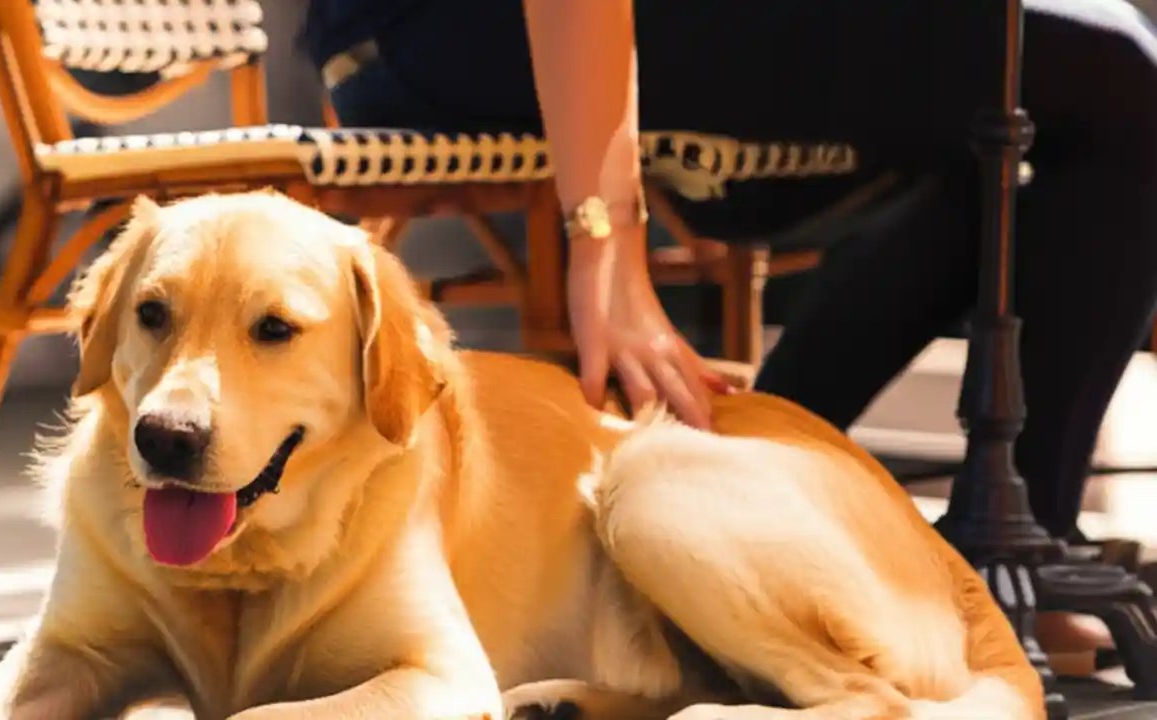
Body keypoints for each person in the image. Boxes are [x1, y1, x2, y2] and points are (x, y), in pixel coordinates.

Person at [297, 0, 1157, 657]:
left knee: (1046, 80)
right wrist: (605, 236)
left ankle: (781, 476)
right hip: (450, 30)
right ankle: (791, 482)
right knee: (1111, 71)